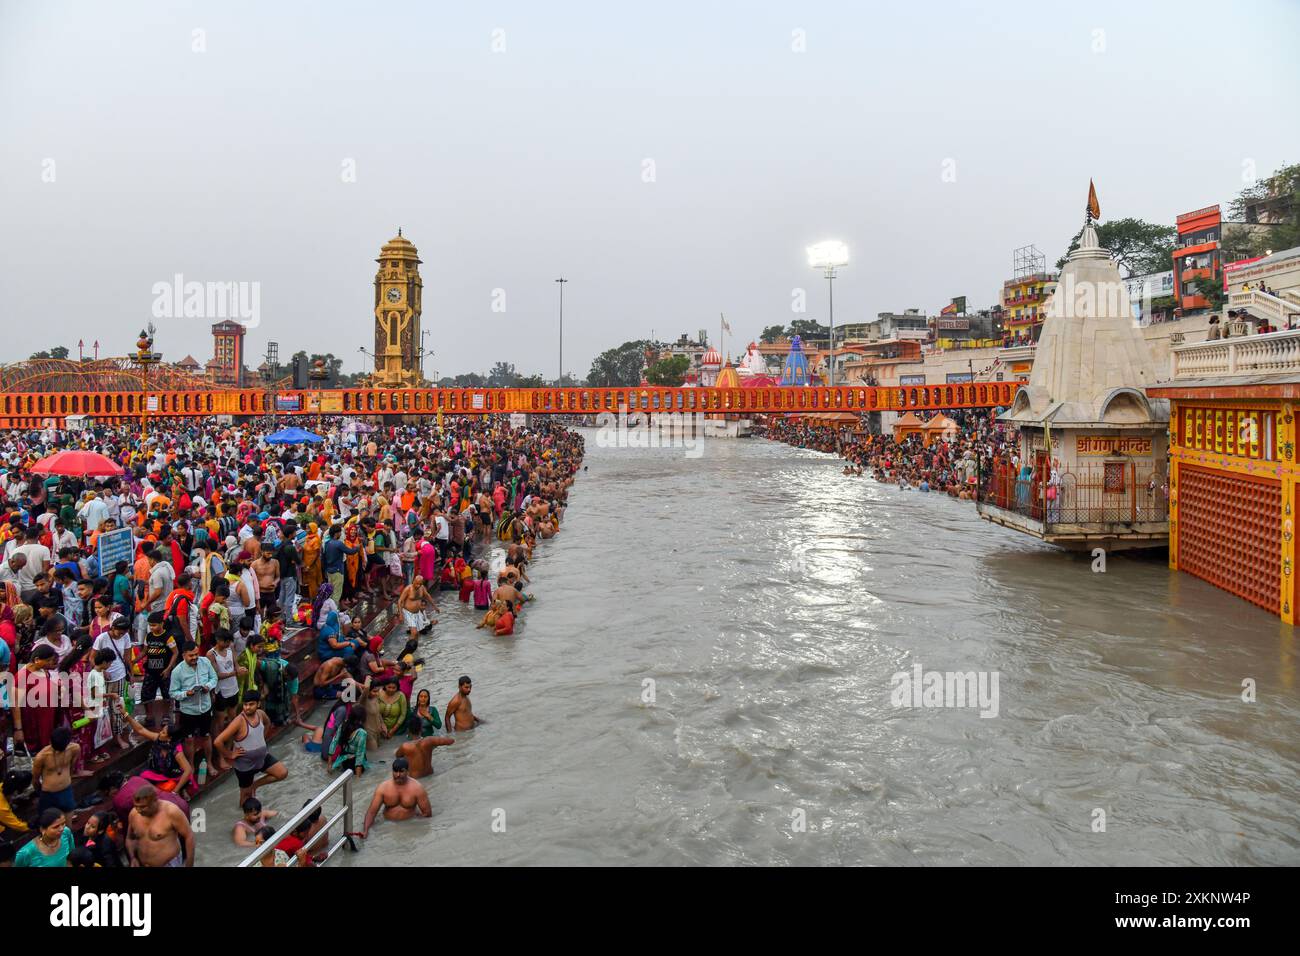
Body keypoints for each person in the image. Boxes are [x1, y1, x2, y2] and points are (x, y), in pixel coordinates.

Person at [214, 689, 288, 808]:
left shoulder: (260, 714)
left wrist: (262, 739)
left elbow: (268, 723)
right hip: (245, 765)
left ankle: (255, 784)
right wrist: (229, 755)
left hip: (262, 758)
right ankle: (243, 820)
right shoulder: (238, 721)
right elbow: (218, 741)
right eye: (245, 704)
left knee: (282, 773)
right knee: (246, 797)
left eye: (251, 704)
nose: (247, 707)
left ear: (258, 704)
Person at [169, 641, 218, 779]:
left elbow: (214, 678)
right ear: (184, 655)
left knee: (206, 736)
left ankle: (209, 763)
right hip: (188, 711)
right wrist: (186, 694)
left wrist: (208, 686)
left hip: (205, 707)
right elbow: (173, 693)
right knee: (189, 740)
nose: (195, 658)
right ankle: (190, 765)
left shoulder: (205, 662)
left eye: (196, 654)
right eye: (191, 655)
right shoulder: (177, 671)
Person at [126, 782, 194, 867]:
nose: (139, 810)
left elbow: (189, 836)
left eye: (143, 807)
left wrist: (189, 864)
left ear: (155, 801)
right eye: (136, 806)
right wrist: (133, 858)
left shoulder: (171, 811)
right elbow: (130, 838)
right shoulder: (133, 814)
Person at [359, 757, 431, 838]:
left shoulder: (417, 788)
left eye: (401, 771)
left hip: (409, 826)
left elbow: (427, 814)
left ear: (407, 771)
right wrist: (365, 831)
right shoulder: (383, 788)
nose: (398, 775)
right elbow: (371, 813)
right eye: (395, 771)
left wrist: (415, 825)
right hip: (387, 827)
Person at [33, 725, 80, 814]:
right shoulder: (41, 757)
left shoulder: (75, 749)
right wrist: (41, 793)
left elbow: (71, 768)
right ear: (50, 741)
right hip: (48, 794)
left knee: (68, 825)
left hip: (66, 790)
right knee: (48, 824)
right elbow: (35, 780)